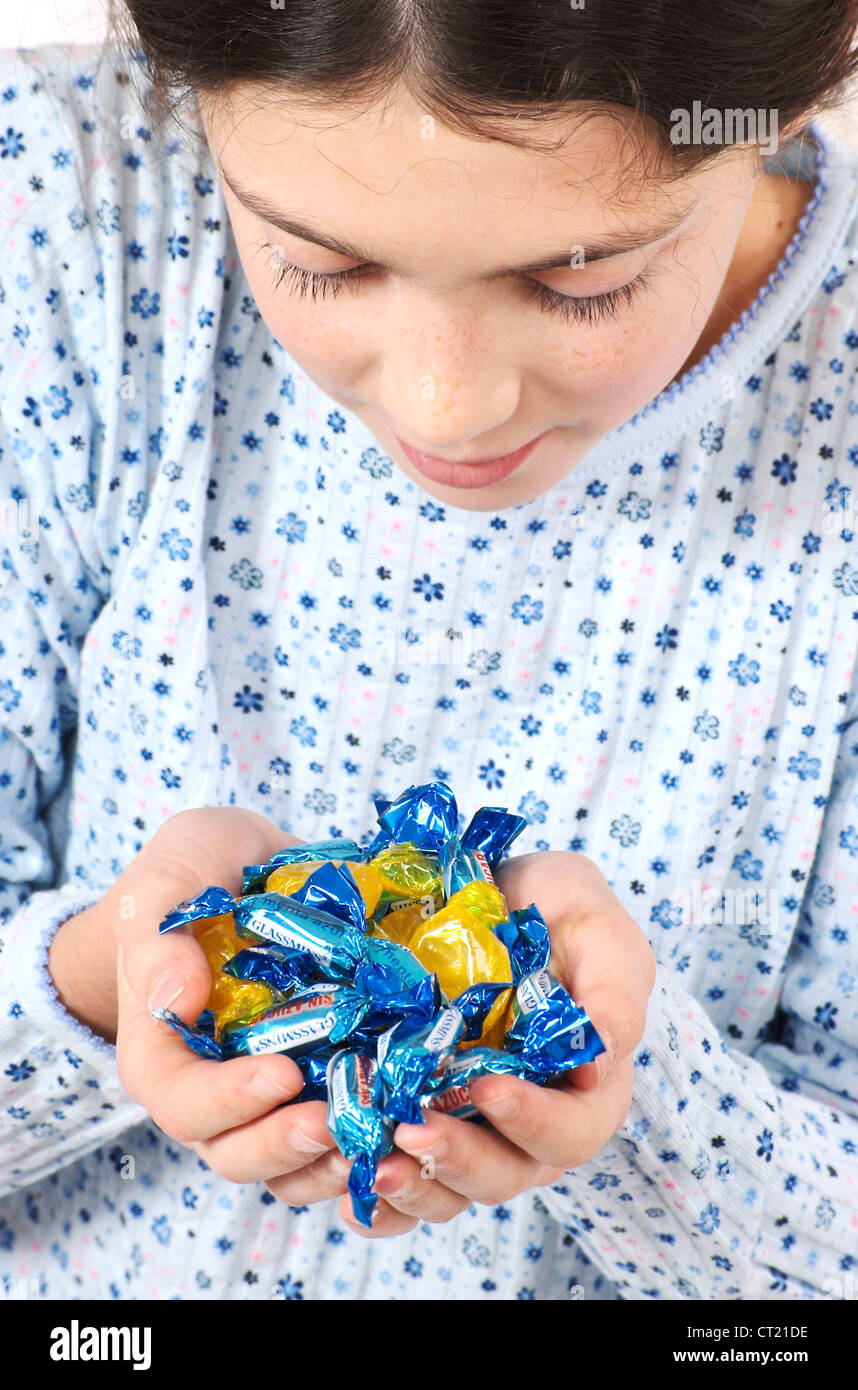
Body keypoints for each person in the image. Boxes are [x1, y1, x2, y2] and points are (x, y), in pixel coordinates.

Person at [0, 0, 856, 1301]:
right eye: (321, 264)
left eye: (582, 279)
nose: (442, 401)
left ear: (787, 99)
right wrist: (101, 975)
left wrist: (630, 1086)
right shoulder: (59, 210)